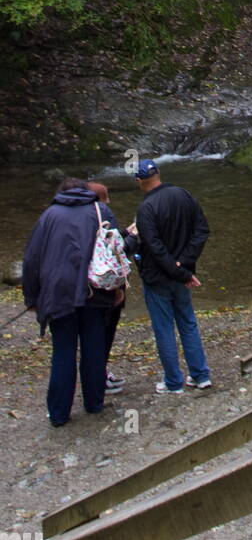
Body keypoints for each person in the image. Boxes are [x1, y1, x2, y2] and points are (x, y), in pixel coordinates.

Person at [21, 178, 122, 427]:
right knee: (94, 347)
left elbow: (32, 260)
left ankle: (58, 414)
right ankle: (94, 403)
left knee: (63, 351)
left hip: (58, 292)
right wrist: (119, 288)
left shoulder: (49, 215)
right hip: (95, 289)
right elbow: (117, 250)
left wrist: (32, 297)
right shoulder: (101, 210)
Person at [134, 159, 212, 393]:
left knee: (164, 329)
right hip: (182, 275)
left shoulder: (146, 209)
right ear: (159, 174)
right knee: (188, 323)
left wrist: (178, 270)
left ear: (139, 181)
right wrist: (185, 264)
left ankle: (173, 382)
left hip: (159, 277)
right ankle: (200, 376)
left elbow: (155, 248)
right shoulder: (183, 194)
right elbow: (202, 231)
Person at [86, 181, 127, 394]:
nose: (109, 201)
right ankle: (99, 378)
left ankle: (95, 376)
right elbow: (115, 248)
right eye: (105, 196)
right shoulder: (102, 212)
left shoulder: (70, 215)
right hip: (104, 286)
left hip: (81, 287)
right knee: (104, 332)